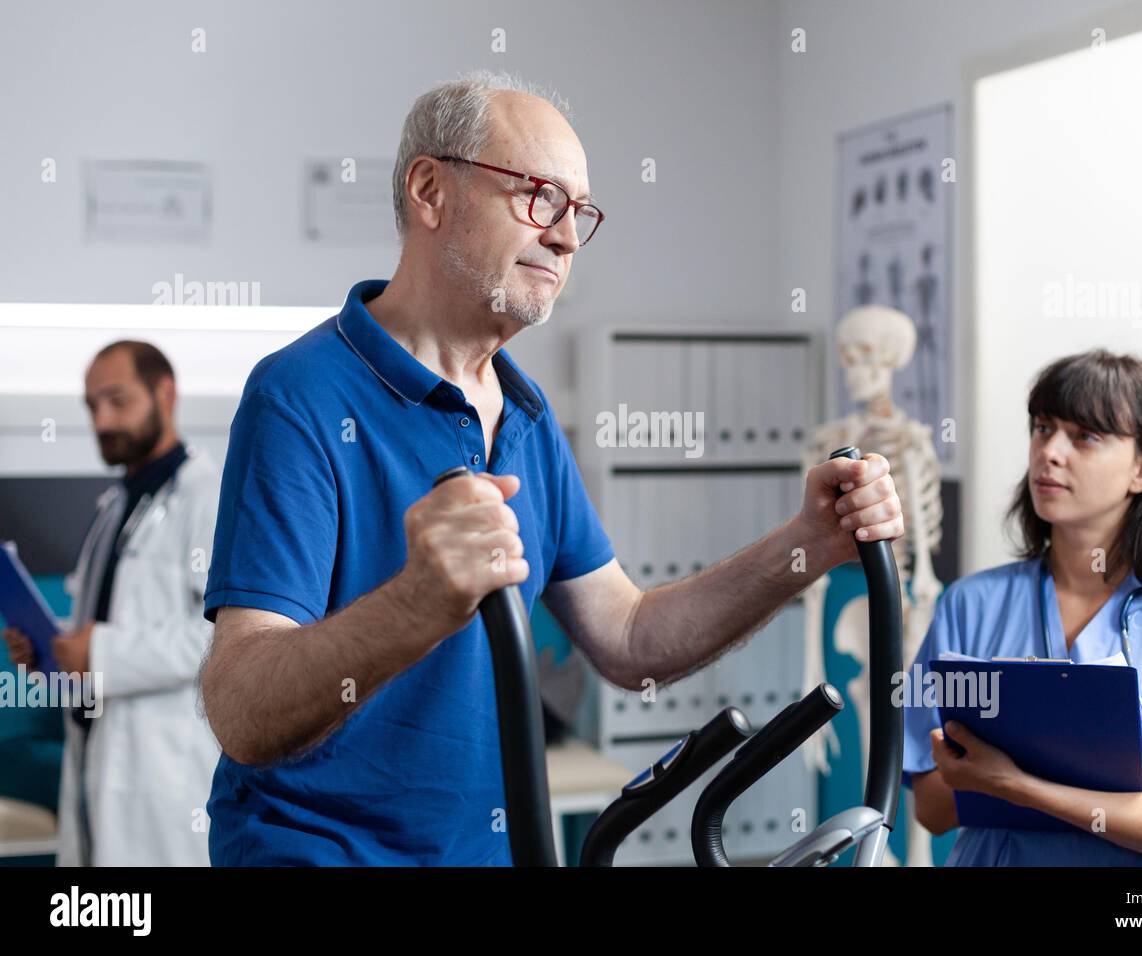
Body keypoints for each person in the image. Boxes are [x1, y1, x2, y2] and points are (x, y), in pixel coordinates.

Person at [198, 69, 905, 865]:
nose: (567, 237)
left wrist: (808, 543)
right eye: (539, 197)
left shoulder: (526, 417)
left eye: (580, 213)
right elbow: (241, 709)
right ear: (430, 191)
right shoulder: (301, 393)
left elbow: (629, 636)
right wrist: (417, 602)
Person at [904, 349, 1142, 866]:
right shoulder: (970, 606)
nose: (1050, 452)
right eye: (1043, 428)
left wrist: (1018, 785)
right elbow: (932, 810)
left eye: (1085, 437)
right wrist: (968, 771)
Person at [3, 340, 222, 866]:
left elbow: (224, 637)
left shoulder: (209, 496)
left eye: (117, 401)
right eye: (92, 405)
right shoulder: (117, 506)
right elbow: (123, 620)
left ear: (165, 394)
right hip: (98, 756)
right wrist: (53, 647)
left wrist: (100, 654)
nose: (102, 419)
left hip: (168, 771)